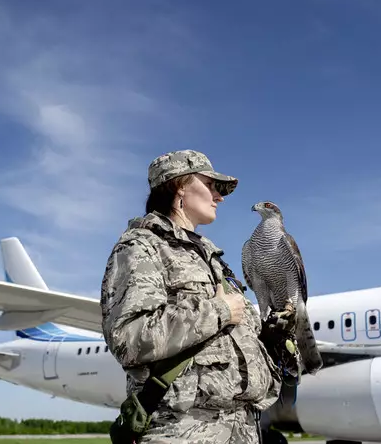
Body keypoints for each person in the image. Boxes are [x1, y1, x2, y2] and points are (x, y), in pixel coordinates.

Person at [100, 150, 283, 443]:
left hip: (243, 427)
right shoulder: (143, 246)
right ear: (179, 186)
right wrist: (219, 310)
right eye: (211, 185)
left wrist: (268, 339)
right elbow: (128, 338)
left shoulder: (211, 258)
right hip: (184, 428)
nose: (219, 196)